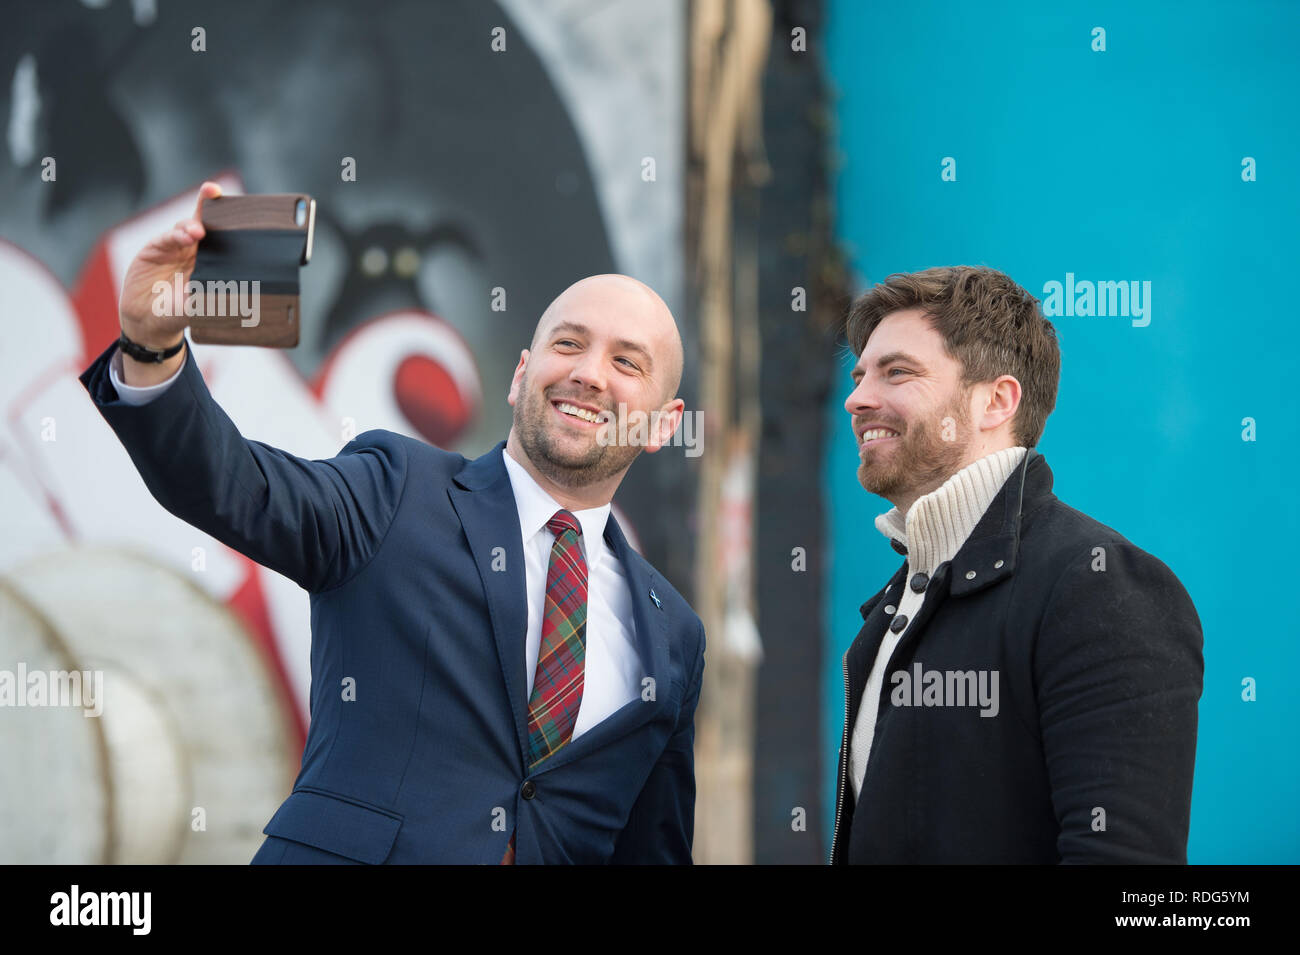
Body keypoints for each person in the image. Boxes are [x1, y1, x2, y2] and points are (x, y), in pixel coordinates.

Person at [79, 181, 705, 864]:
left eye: (625, 362)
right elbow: (232, 486)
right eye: (568, 343)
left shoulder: (673, 634)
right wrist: (151, 349)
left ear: (663, 424)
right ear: (521, 375)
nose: (588, 374)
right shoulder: (395, 488)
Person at [830, 265, 1202, 864]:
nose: (856, 398)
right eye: (859, 375)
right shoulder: (901, 602)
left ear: (996, 401)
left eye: (897, 372)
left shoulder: (1100, 587)